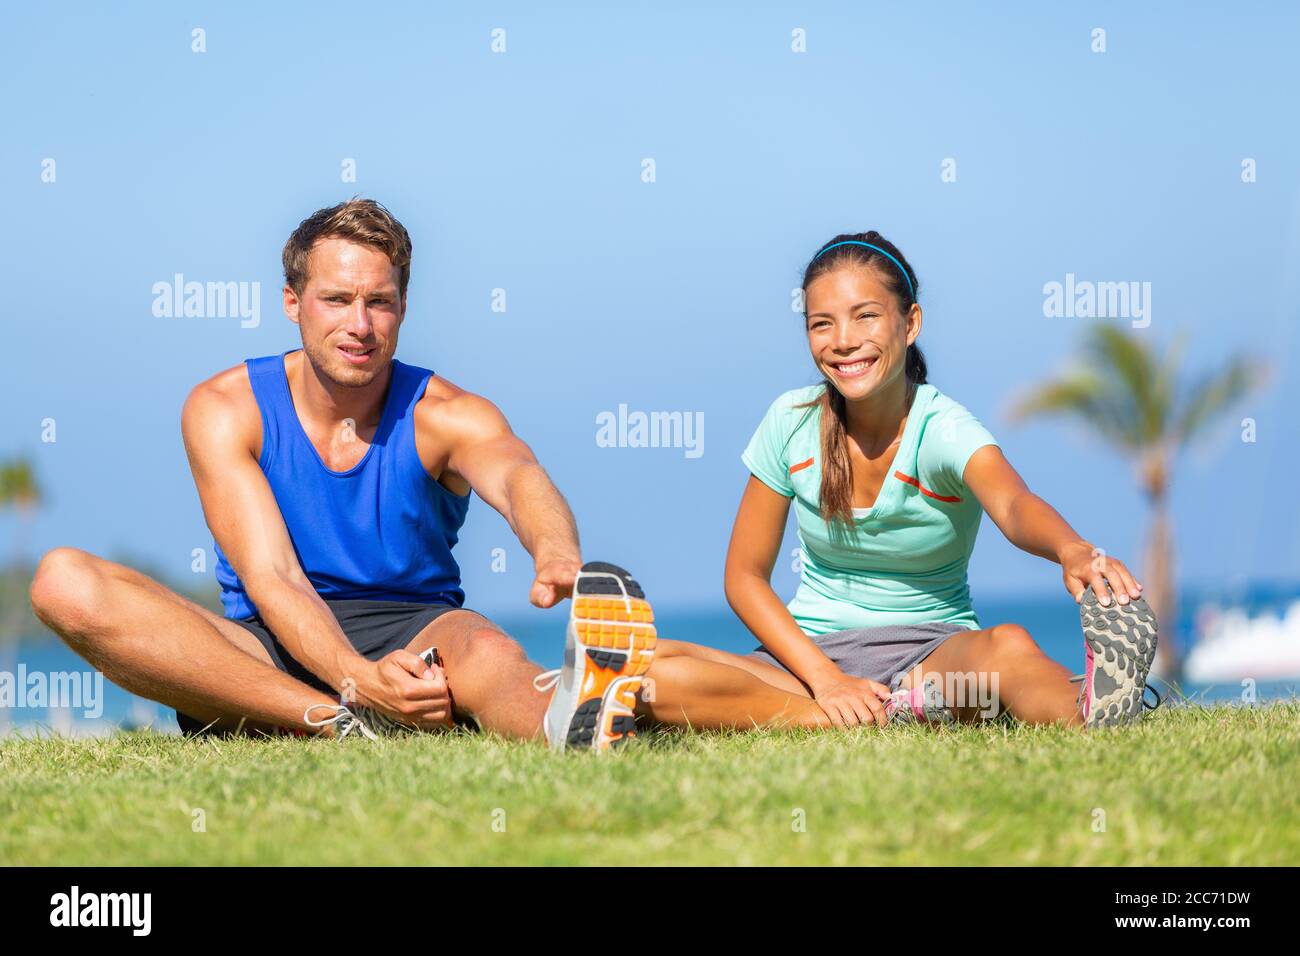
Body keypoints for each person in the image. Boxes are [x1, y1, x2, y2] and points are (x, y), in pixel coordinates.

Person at [27, 199, 835, 751]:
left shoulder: (447, 411)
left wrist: (556, 555)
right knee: (64, 581)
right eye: (337, 298)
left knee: (485, 650)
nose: (359, 323)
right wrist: (352, 682)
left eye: (379, 302)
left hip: (418, 634)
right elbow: (272, 576)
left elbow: (519, 475)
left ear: (404, 308)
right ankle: (335, 722)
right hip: (265, 648)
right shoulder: (224, 406)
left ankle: (572, 723)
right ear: (292, 302)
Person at [719, 232, 1159, 729]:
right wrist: (826, 679)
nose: (842, 340)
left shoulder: (943, 429)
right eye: (822, 323)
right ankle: (874, 714)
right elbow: (744, 576)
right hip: (811, 657)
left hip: (930, 653)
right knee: (659, 668)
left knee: (1006, 651)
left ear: (910, 324)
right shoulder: (790, 421)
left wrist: (1072, 549)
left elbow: (1014, 505)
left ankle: (1090, 714)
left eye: (865, 315)